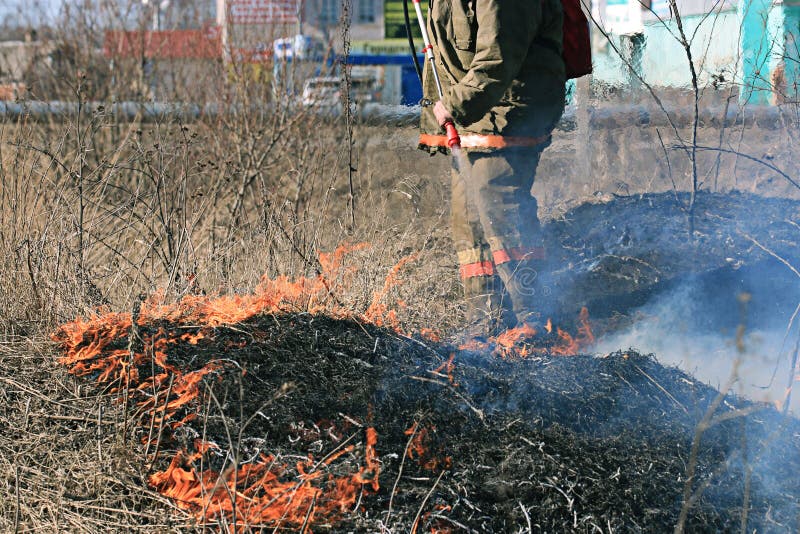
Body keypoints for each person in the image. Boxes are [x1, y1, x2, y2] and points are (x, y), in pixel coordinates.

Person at [418, 0, 567, 337]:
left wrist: (456, 103)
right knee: (469, 221)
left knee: (501, 210)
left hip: (509, 111)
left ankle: (535, 322)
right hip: (474, 117)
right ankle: (486, 322)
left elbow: (499, 55)